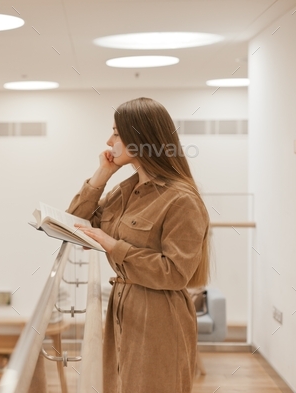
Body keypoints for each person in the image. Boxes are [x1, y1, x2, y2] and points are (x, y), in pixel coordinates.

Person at [66, 97, 211, 393]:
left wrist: (111, 245)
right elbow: (74, 223)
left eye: (117, 133)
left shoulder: (182, 199)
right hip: (122, 305)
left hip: (160, 316)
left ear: (139, 139)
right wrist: (102, 175)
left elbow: (175, 272)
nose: (109, 141)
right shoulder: (126, 189)